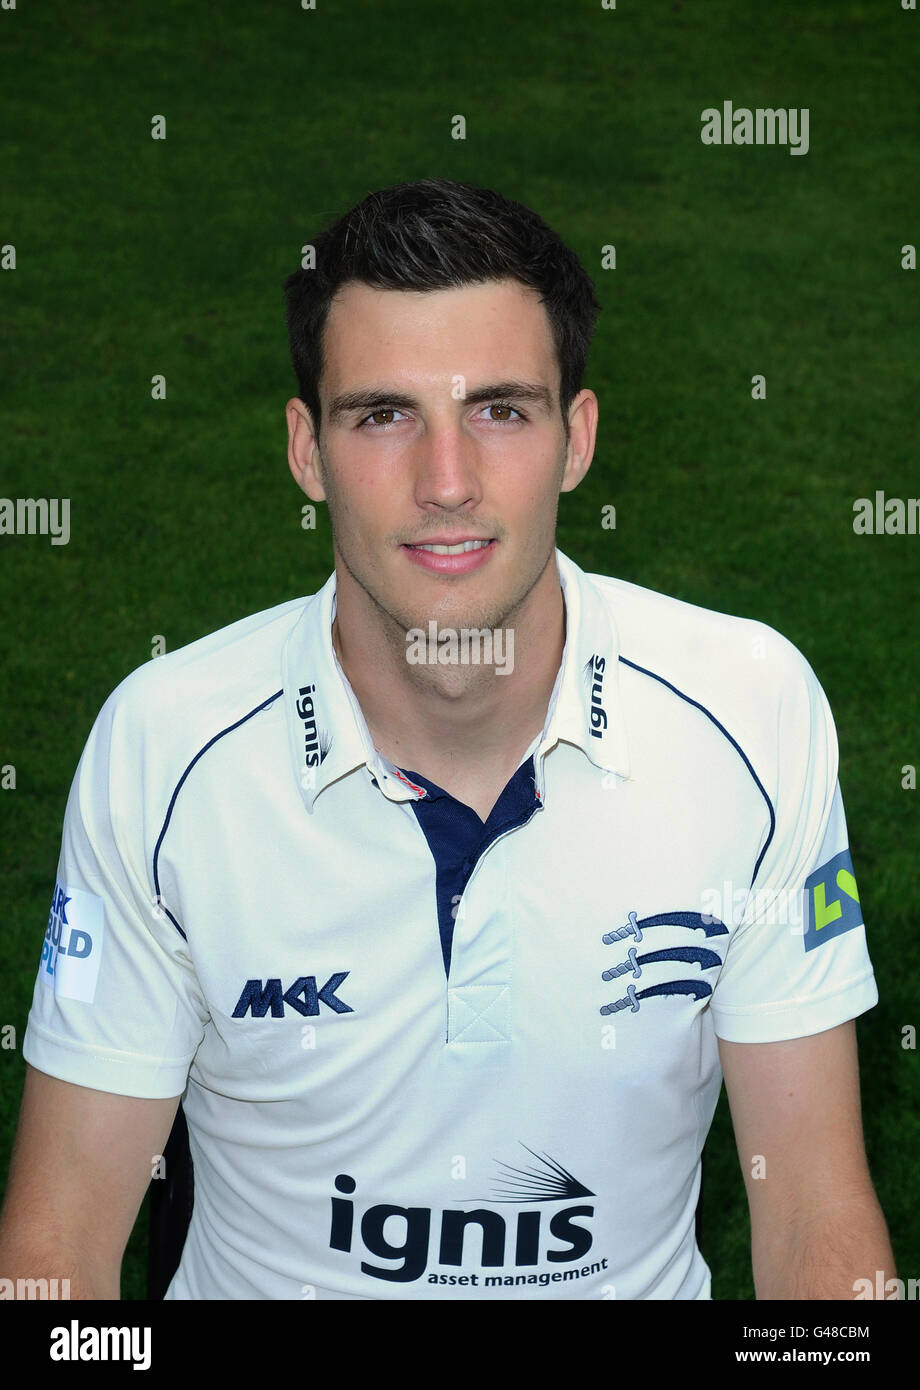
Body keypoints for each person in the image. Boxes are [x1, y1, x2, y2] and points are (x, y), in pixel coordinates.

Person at [0, 178, 896, 1300]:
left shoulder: (750, 712)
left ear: (574, 438)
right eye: (382, 415)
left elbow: (814, 1216)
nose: (446, 483)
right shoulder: (164, 744)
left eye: (498, 411)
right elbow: (56, 1256)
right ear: (305, 451)